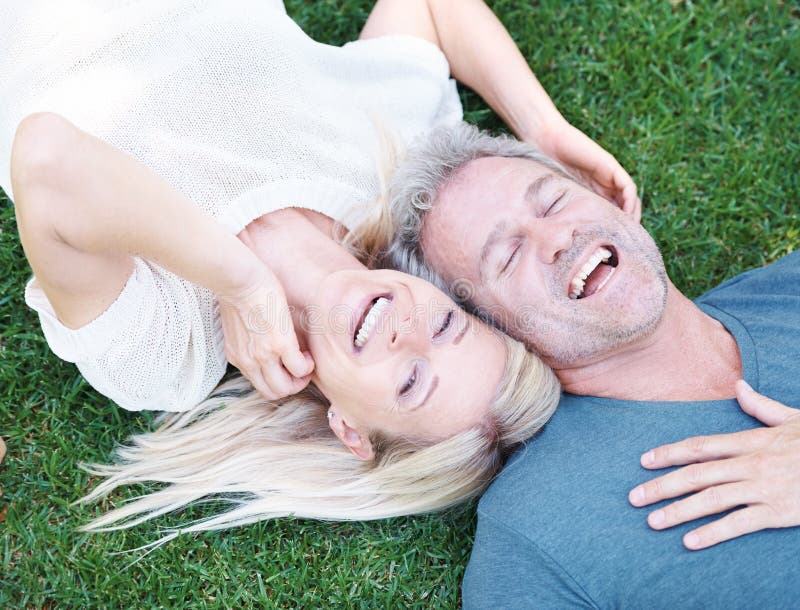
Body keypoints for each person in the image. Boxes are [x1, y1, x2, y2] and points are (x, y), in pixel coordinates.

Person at [383, 123, 800, 606]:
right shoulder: (534, 535)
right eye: (509, 255)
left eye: (554, 202)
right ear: (498, 334)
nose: (558, 237)